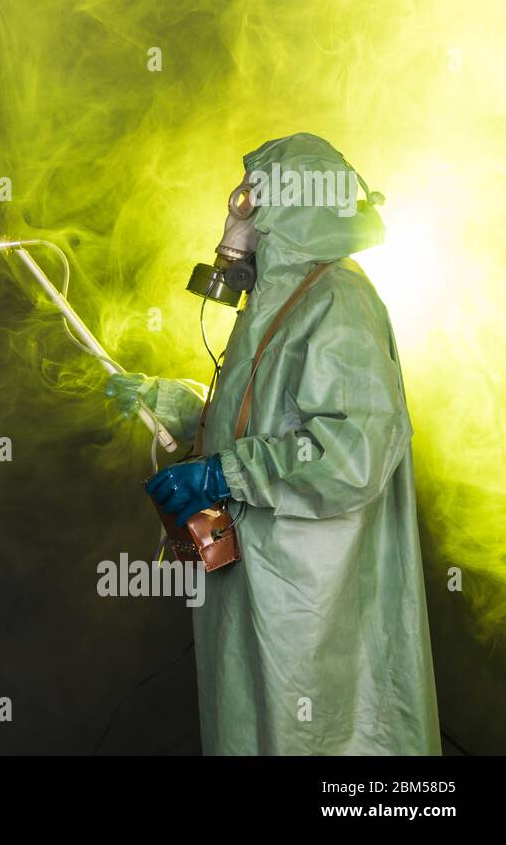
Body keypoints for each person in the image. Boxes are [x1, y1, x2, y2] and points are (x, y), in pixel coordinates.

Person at [106, 133, 440, 754]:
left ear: (297, 205)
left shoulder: (339, 302)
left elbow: (352, 452)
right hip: (260, 583)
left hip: (309, 595)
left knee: (317, 739)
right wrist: (183, 405)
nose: (237, 214)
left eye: (250, 198)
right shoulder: (276, 299)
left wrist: (221, 476)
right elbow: (266, 418)